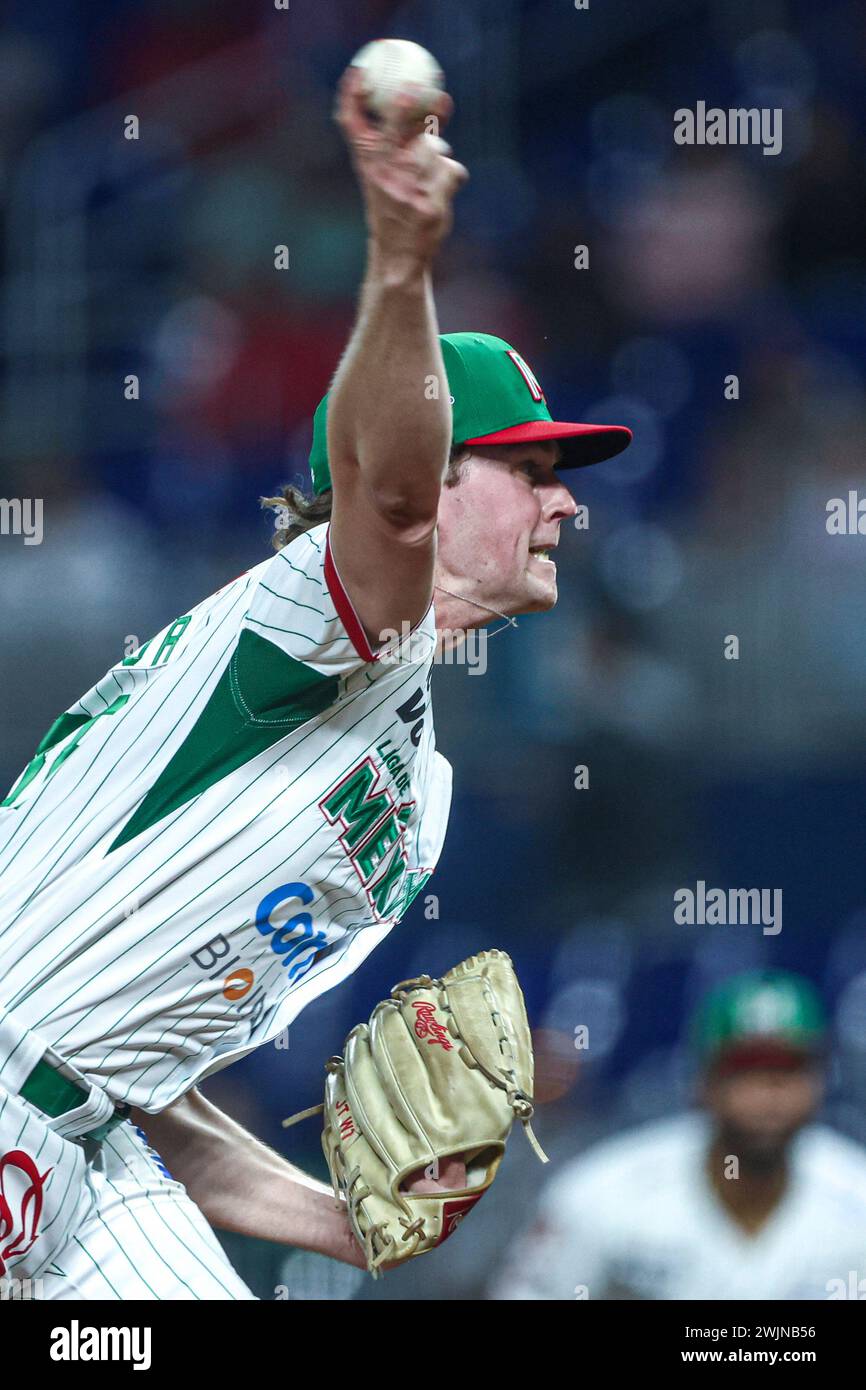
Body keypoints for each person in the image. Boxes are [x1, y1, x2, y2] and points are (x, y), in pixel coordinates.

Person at [0, 66, 629, 1300]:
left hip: (90, 1142)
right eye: (525, 467)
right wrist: (399, 257)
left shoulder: (420, 782)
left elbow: (138, 1077)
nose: (567, 498)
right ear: (436, 486)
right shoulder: (298, 618)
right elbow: (381, 501)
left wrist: (342, 1220)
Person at [491, 970, 866, 1300]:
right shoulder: (603, 1192)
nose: (767, 1094)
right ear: (703, 1081)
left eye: (787, 1071)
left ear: (819, 1082)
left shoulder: (856, 1196)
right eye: (744, 1070)